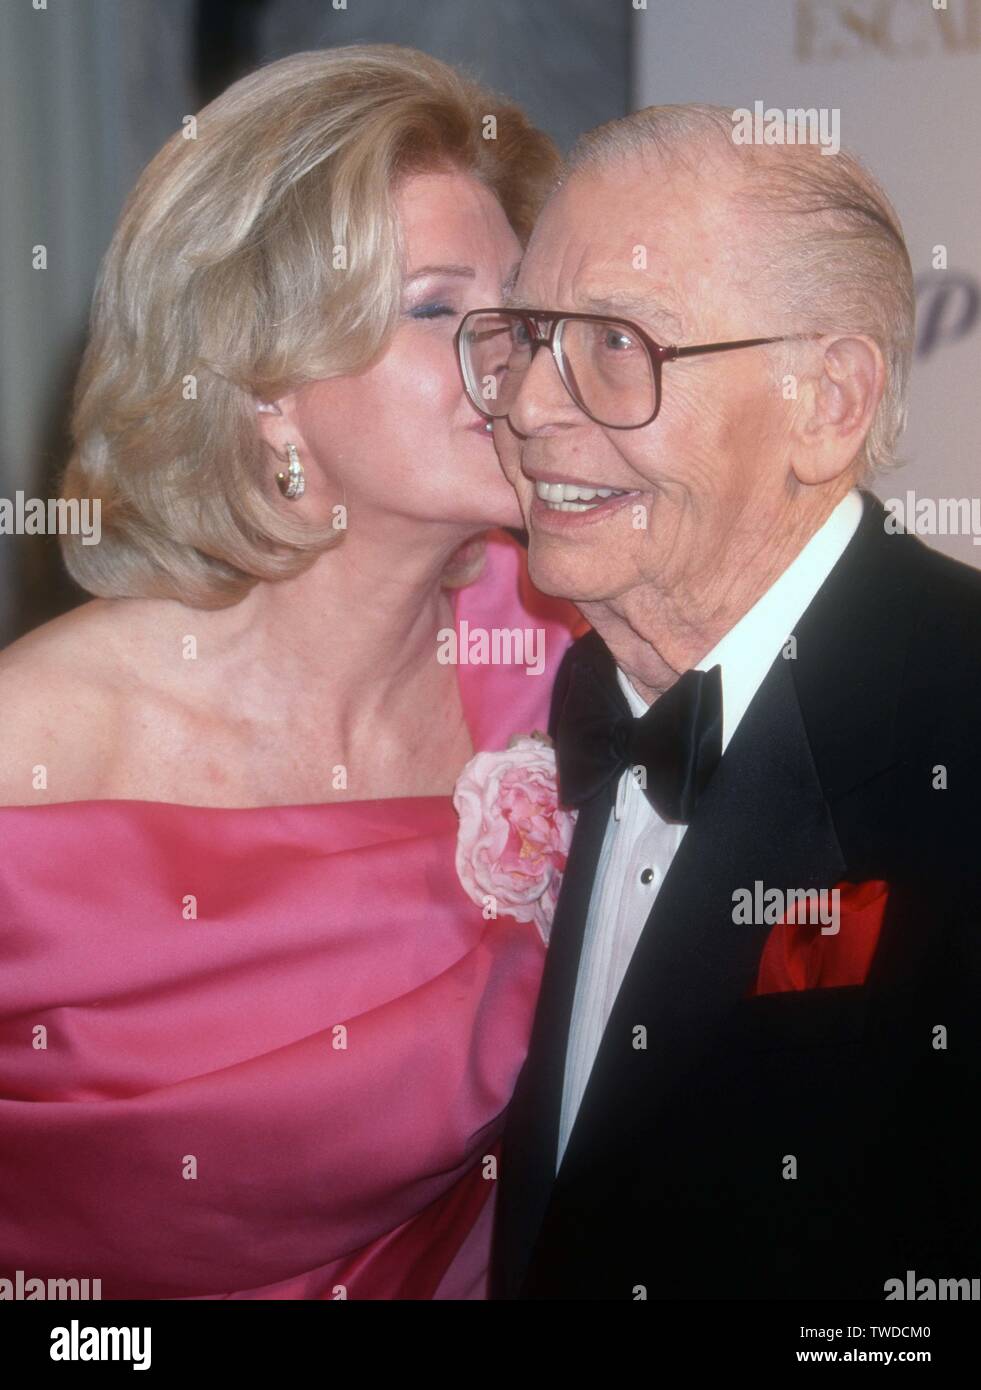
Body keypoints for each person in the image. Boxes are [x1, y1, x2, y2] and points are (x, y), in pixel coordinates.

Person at [0, 45, 581, 1300]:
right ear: (267, 386)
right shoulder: (36, 761)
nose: (518, 364)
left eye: (521, 314)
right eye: (438, 310)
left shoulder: (575, 666)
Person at [456, 103, 981, 1299]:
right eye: (530, 334)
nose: (530, 407)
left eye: (617, 344)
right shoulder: (583, 686)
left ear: (829, 404)